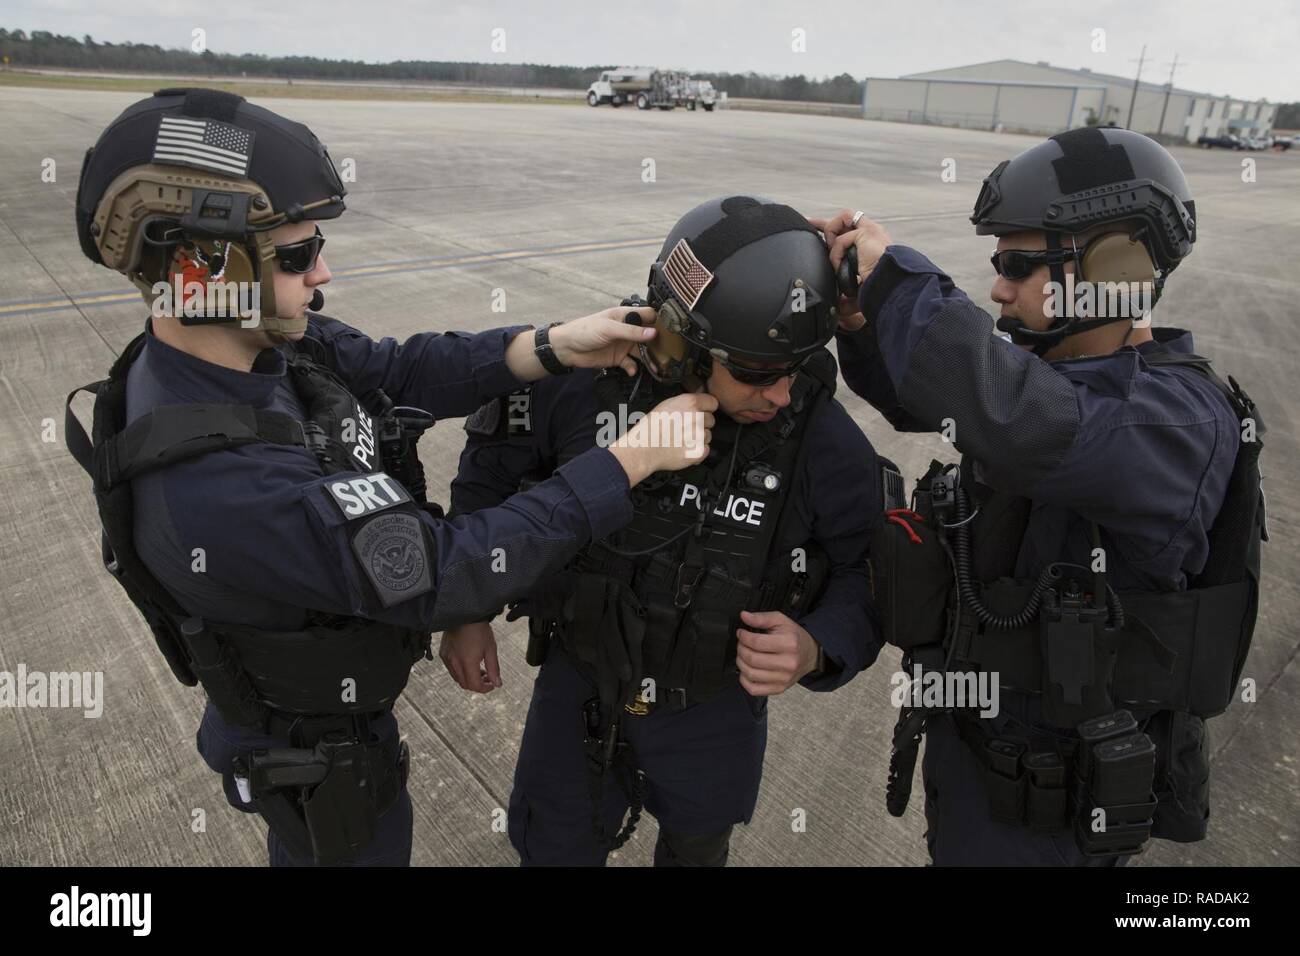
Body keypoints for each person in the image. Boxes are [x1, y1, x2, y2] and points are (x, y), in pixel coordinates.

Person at [64, 87, 715, 866]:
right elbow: (448, 570)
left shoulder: (244, 346)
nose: (323, 273)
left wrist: (553, 345)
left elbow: (397, 368)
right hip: (320, 768)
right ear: (204, 266)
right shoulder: (222, 487)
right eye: (299, 255)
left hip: (337, 730)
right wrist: (631, 458)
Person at [816, 127, 1266, 865]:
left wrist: (894, 278)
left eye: (1020, 265)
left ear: (1112, 268)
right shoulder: (1054, 379)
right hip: (980, 777)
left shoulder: (1176, 420)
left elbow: (1018, 420)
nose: (997, 287)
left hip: (1054, 818)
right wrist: (863, 322)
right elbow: (935, 397)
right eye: (999, 264)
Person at [444, 196, 888, 866]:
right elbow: (489, 471)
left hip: (711, 708)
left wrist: (817, 645)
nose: (782, 394)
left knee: (698, 847)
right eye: (757, 372)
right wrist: (468, 612)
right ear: (685, 346)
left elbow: (867, 569)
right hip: (580, 681)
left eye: (796, 368)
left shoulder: (816, 437)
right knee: (553, 844)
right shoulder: (585, 379)